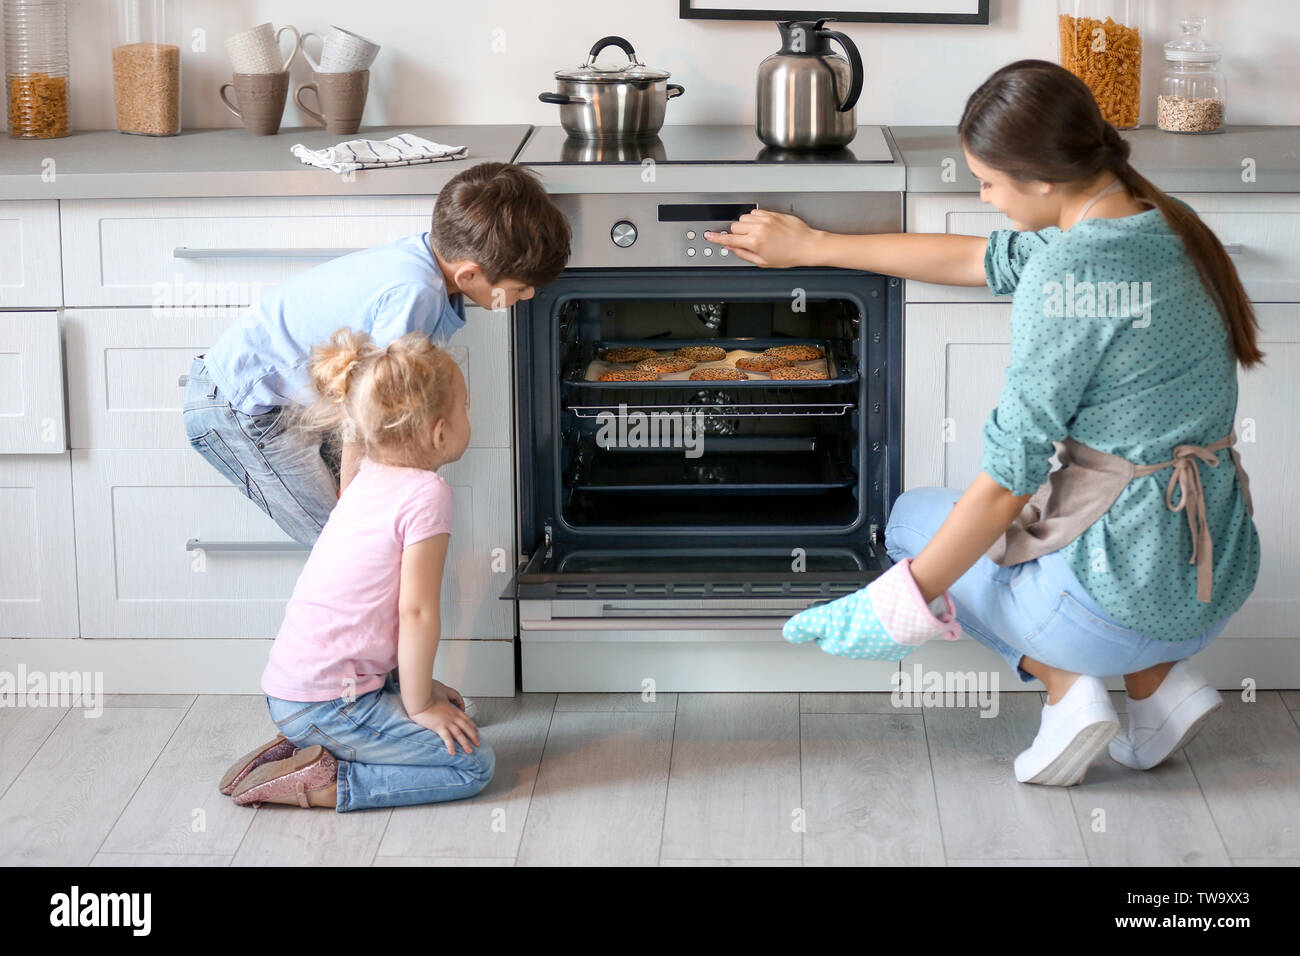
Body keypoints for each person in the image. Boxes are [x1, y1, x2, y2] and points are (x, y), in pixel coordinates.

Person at [708, 59, 1261, 787]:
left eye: (990, 182)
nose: (982, 196)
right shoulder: (1161, 226)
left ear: (1040, 180)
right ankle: (1158, 687)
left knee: (910, 522)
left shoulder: (1069, 276)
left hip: (1113, 602)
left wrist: (893, 603)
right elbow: (980, 258)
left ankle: (1069, 691)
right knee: (989, 533)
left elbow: (1009, 477)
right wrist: (815, 248)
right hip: (1209, 586)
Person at [183, 161, 571, 545]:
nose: (529, 295)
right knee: (349, 546)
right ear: (468, 274)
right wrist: (353, 494)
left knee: (373, 535)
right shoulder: (414, 294)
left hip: (284, 404)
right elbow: (366, 407)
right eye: (521, 287)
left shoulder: (426, 266)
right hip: (243, 410)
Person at [219, 329, 493, 810]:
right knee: (471, 763)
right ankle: (323, 777)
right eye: (465, 407)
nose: (470, 415)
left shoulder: (367, 477)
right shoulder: (428, 494)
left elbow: (375, 618)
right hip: (329, 704)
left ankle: (311, 747)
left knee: (451, 712)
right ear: (438, 431)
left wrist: (422, 689)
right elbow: (416, 613)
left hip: (298, 693)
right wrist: (420, 705)